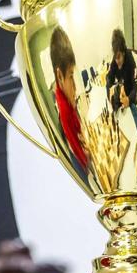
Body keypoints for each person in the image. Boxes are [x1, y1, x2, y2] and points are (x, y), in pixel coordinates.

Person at [50, 26, 89, 169]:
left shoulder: (65, 100)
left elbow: (77, 126)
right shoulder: (64, 110)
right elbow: (82, 158)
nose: (75, 86)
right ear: (60, 76)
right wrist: (87, 156)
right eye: (71, 76)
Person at [107, 28, 137, 142]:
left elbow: (135, 88)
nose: (117, 61)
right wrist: (110, 88)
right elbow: (109, 78)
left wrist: (129, 99)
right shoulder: (114, 61)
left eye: (119, 57)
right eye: (115, 57)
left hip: (129, 96)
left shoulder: (130, 60)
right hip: (120, 96)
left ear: (123, 52)